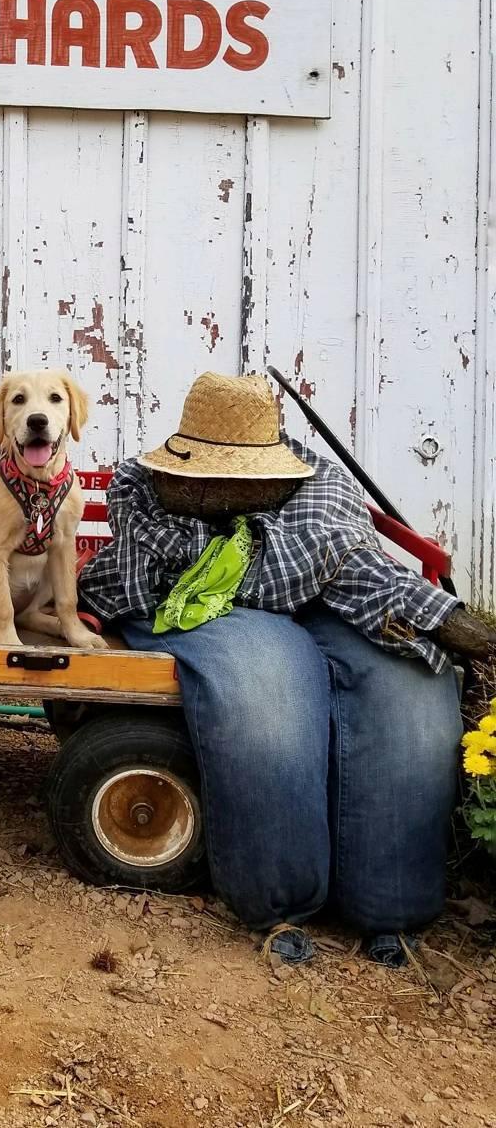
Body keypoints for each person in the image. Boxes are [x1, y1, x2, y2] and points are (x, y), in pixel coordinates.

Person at [79, 372, 494, 966]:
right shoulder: (148, 494)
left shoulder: (320, 491)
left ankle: (391, 902)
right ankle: (280, 899)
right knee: (268, 684)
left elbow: (348, 558)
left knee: (407, 688)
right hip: (194, 596)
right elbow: (161, 569)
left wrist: (433, 614)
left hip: (328, 596)